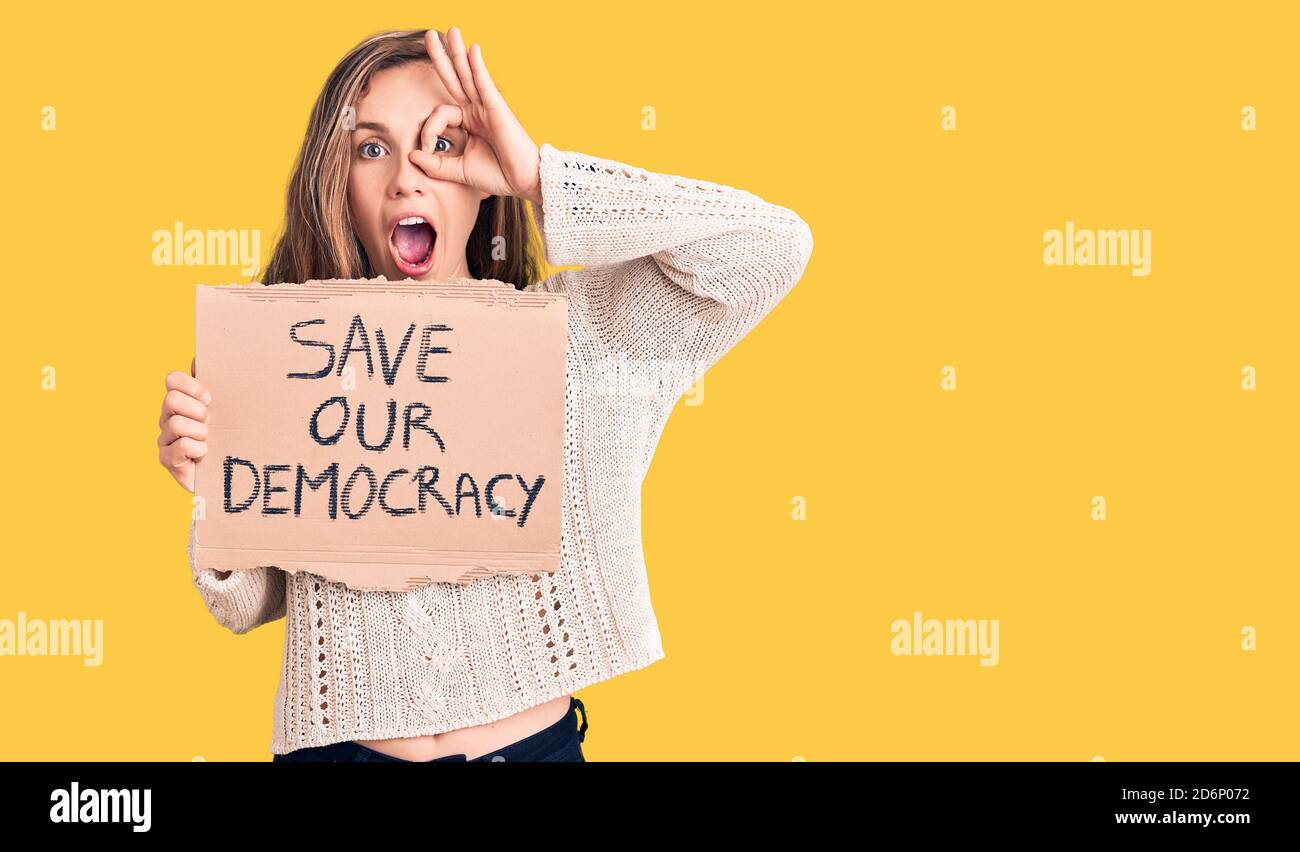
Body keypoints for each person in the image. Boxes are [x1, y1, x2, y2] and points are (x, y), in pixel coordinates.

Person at [156, 26, 813, 762]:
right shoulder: (291, 358)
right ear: (335, 181)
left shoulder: (580, 339)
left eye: (441, 144)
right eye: (371, 149)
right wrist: (210, 487)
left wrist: (539, 177)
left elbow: (771, 247)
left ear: (481, 167)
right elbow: (243, 604)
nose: (407, 177)